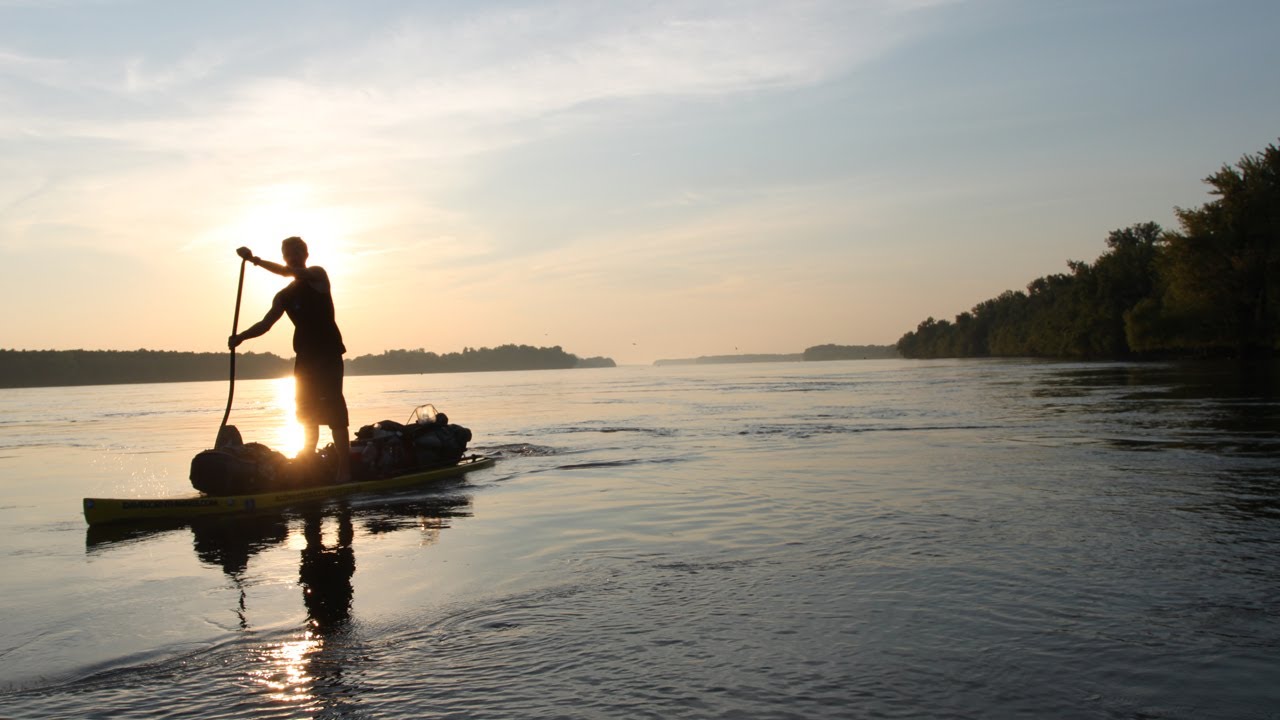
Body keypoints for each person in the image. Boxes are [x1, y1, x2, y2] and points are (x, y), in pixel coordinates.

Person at [229, 237, 351, 483]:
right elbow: (266, 324)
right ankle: (309, 468)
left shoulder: (317, 275)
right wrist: (241, 337)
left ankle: (345, 472)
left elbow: (287, 272)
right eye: (288, 253)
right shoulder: (284, 296)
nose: (293, 256)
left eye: (297, 252)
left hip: (327, 356)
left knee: (334, 414)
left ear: (306, 253)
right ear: (284, 256)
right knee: (307, 415)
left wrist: (255, 261)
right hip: (304, 360)